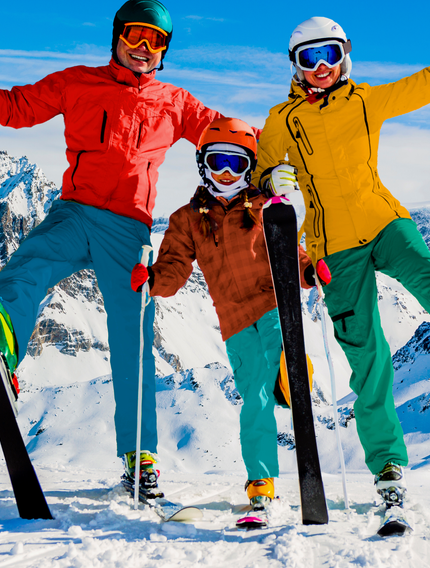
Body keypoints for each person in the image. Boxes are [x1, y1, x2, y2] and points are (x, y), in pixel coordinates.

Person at [0, 0, 224, 500]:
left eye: (156, 40)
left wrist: (280, 155)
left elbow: (227, 136)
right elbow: (17, 109)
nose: (144, 48)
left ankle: (140, 457)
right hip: (75, 211)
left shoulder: (175, 102)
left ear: (165, 50)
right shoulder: (77, 82)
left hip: (128, 229)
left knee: (133, 336)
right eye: (135, 35)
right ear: (116, 37)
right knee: (26, 267)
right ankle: (8, 345)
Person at [255, 0, 430, 511]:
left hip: (383, 221)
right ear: (295, 66)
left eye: (330, 55)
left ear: (345, 57)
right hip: (333, 250)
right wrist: (278, 201)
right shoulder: (281, 121)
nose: (320, 67)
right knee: (368, 358)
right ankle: (388, 464)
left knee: (425, 273)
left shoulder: (366, 100)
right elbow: (265, 187)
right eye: (309, 58)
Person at [130, 117, 330, 527]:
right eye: (218, 162)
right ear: (203, 165)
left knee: (287, 381)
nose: (226, 173)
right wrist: (152, 281)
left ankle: (293, 381)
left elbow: (289, 248)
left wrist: (309, 273)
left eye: (236, 165)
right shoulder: (188, 218)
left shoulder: (262, 207)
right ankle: (262, 488)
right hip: (235, 323)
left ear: (249, 168)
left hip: (276, 306)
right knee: (253, 400)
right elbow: (174, 268)